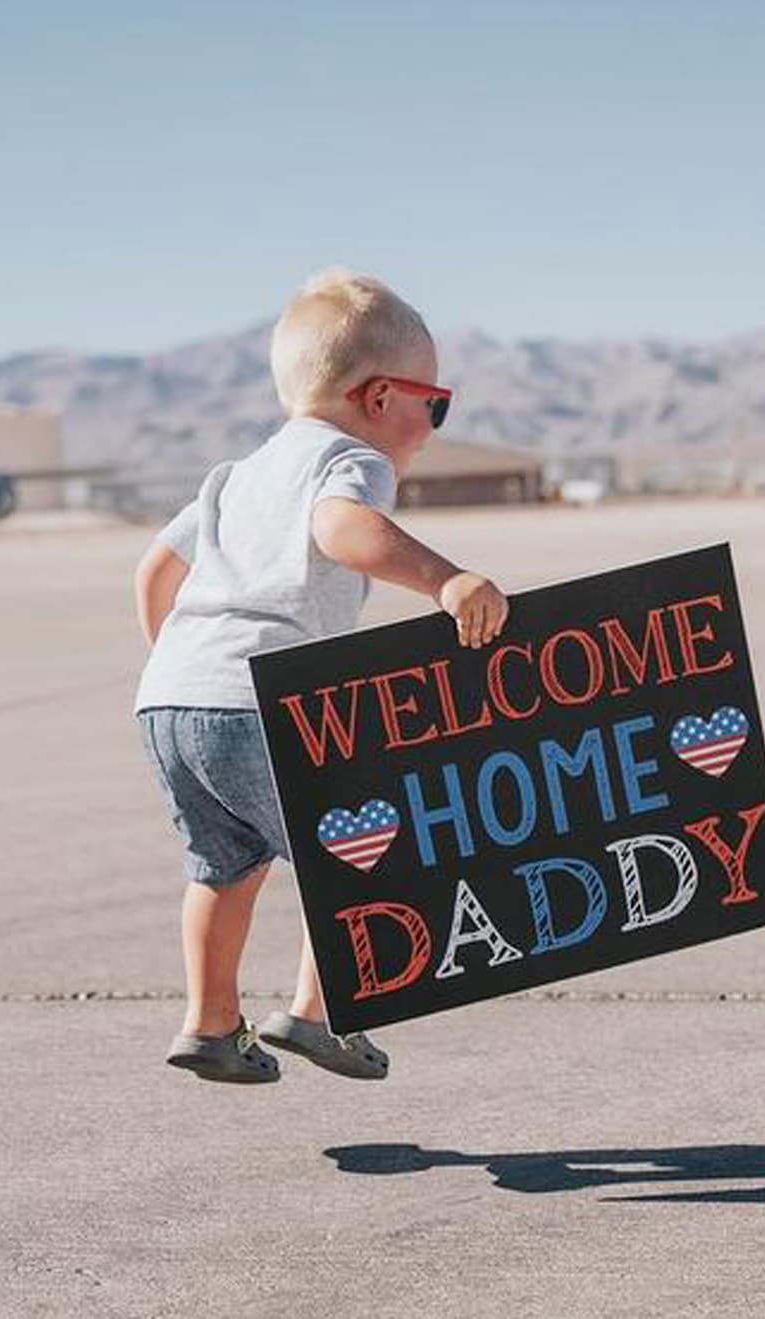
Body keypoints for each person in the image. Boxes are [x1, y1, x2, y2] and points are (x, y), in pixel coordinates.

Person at [132, 268, 509, 1085]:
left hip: (169, 700)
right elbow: (342, 530)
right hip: (258, 700)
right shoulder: (349, 462)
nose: (433, 426)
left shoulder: (239, 473)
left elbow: (155, 570)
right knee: (367, 847)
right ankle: (320, 1013)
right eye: (433, 404)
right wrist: (446, 580)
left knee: (223, 865)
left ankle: (210, 1021)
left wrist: (182, 661)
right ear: (378, 398)